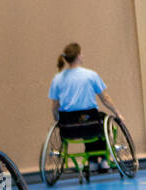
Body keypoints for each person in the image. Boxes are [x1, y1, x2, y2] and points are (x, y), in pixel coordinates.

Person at [49, 43, 124, 171]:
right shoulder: (91, 75)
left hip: (68, 125)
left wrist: (56, 118)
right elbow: (105, 98)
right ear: (78, 56)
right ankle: (104, 159)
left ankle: (92, 160)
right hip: (90, 120)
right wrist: (118, 113)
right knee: (102, 123)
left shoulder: (57, 79)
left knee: (83, 123)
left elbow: (55, 105)